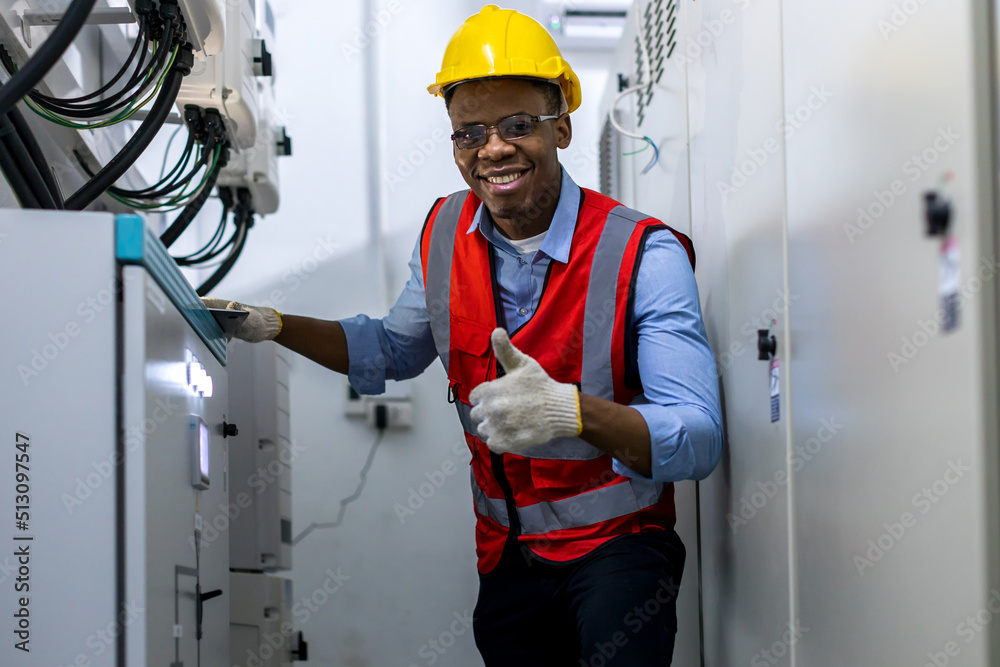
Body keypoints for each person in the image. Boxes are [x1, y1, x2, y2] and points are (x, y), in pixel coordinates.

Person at [204, 5, 723, 665]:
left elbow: (698, 437)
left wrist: (571, 410)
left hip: (619, 552)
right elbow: (391, 348)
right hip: (506, 556)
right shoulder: (444, 234)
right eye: (468, 133)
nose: (493, 149)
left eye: (517, 126)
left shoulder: (643, 254)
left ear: (562, 124)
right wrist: (276, 325)